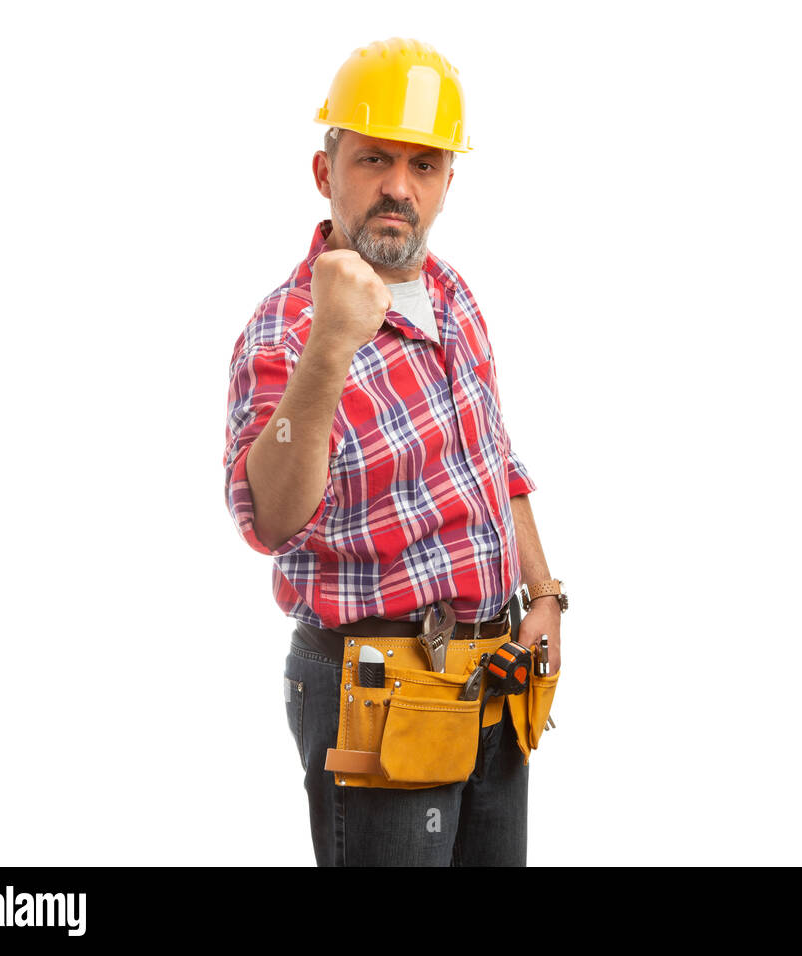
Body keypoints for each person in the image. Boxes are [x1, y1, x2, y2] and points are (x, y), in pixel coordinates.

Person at [221, 37, 566, 866]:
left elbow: (495, 455)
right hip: (375, 686)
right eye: (374, 158)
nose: (397, 187)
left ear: (449, 179)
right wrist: (332, 345)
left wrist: (544, 591)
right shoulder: (285, 330)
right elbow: (267, 516)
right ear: (324, 170)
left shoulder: (455, 295)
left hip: (494, 677)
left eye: (424, 163)